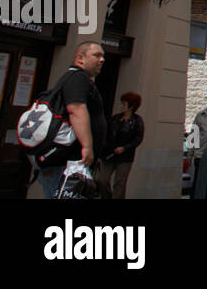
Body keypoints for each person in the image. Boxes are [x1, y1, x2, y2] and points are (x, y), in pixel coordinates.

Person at [34, 42, 106, 198]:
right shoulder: (78, 77)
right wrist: (87, 146)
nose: (102, 60)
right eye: (96, 55)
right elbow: (76, 109)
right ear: (80, 58)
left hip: (68, 165)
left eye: (103, 56)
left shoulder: (78, 78)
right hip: (67, 165)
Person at [96, 92, 144, 199]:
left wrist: (125, 148)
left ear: (131, 107)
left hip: (125, 157)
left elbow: (138, 138)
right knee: (102, 179)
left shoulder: (137, 121)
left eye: (124, 104)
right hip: (109, 154)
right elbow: (106, 135)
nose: (121, 106)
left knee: (120, 183)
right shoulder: (115, 119)